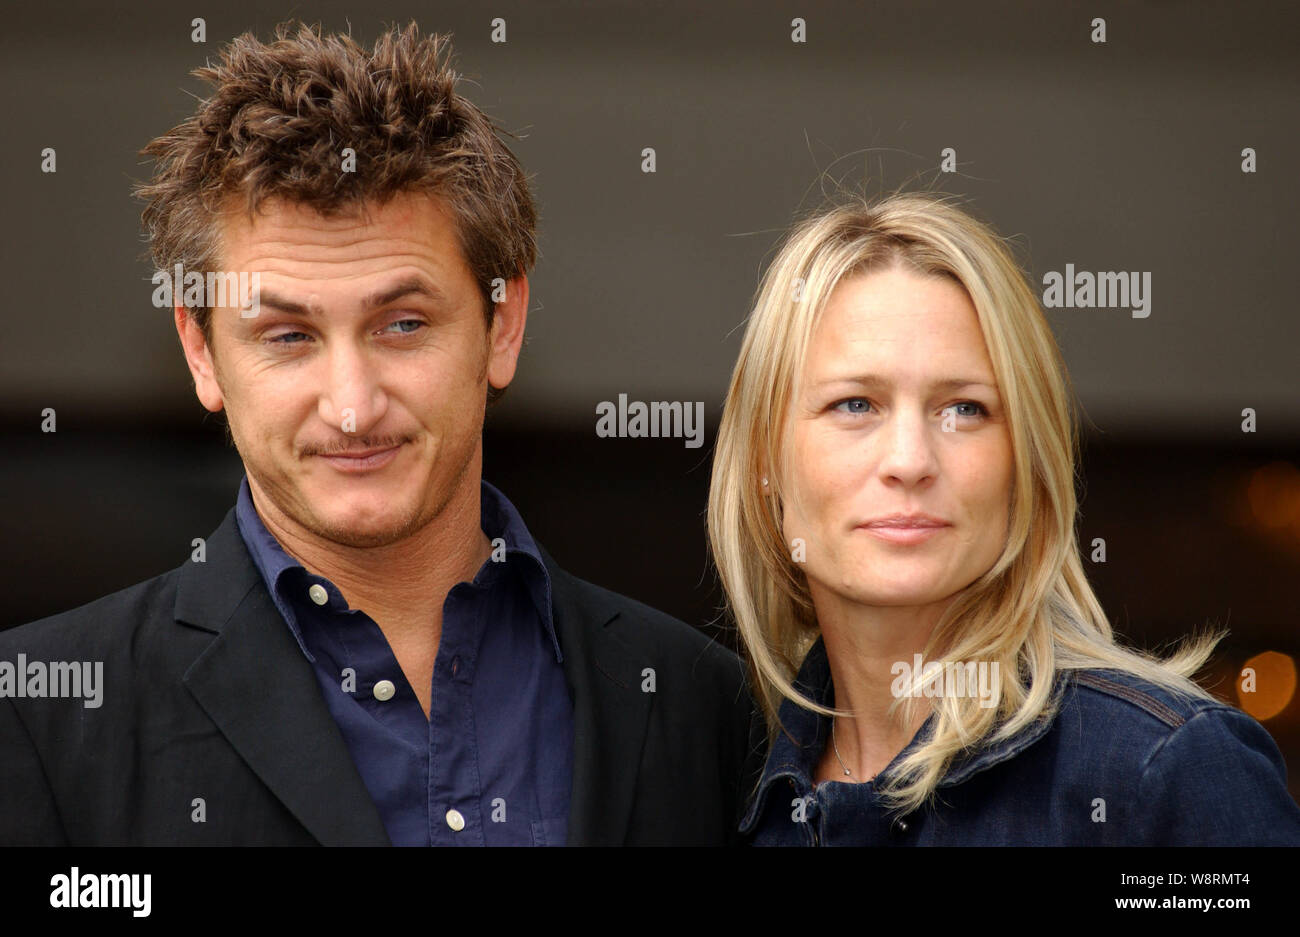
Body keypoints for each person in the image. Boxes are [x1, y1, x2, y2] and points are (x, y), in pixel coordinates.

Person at [0, 20, 759, 846]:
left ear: (503, 325)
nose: (353, 406)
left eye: (402, 324)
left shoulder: (702, 704)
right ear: (201, 351)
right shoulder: (39, 714)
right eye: (287, 336)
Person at [707, 191, 1300, 845]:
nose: (909, 459)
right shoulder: (717, 786)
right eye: (855, 403)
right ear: (766, 457)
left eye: (964, 408)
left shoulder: (1159, 772)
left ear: (1027, 463)